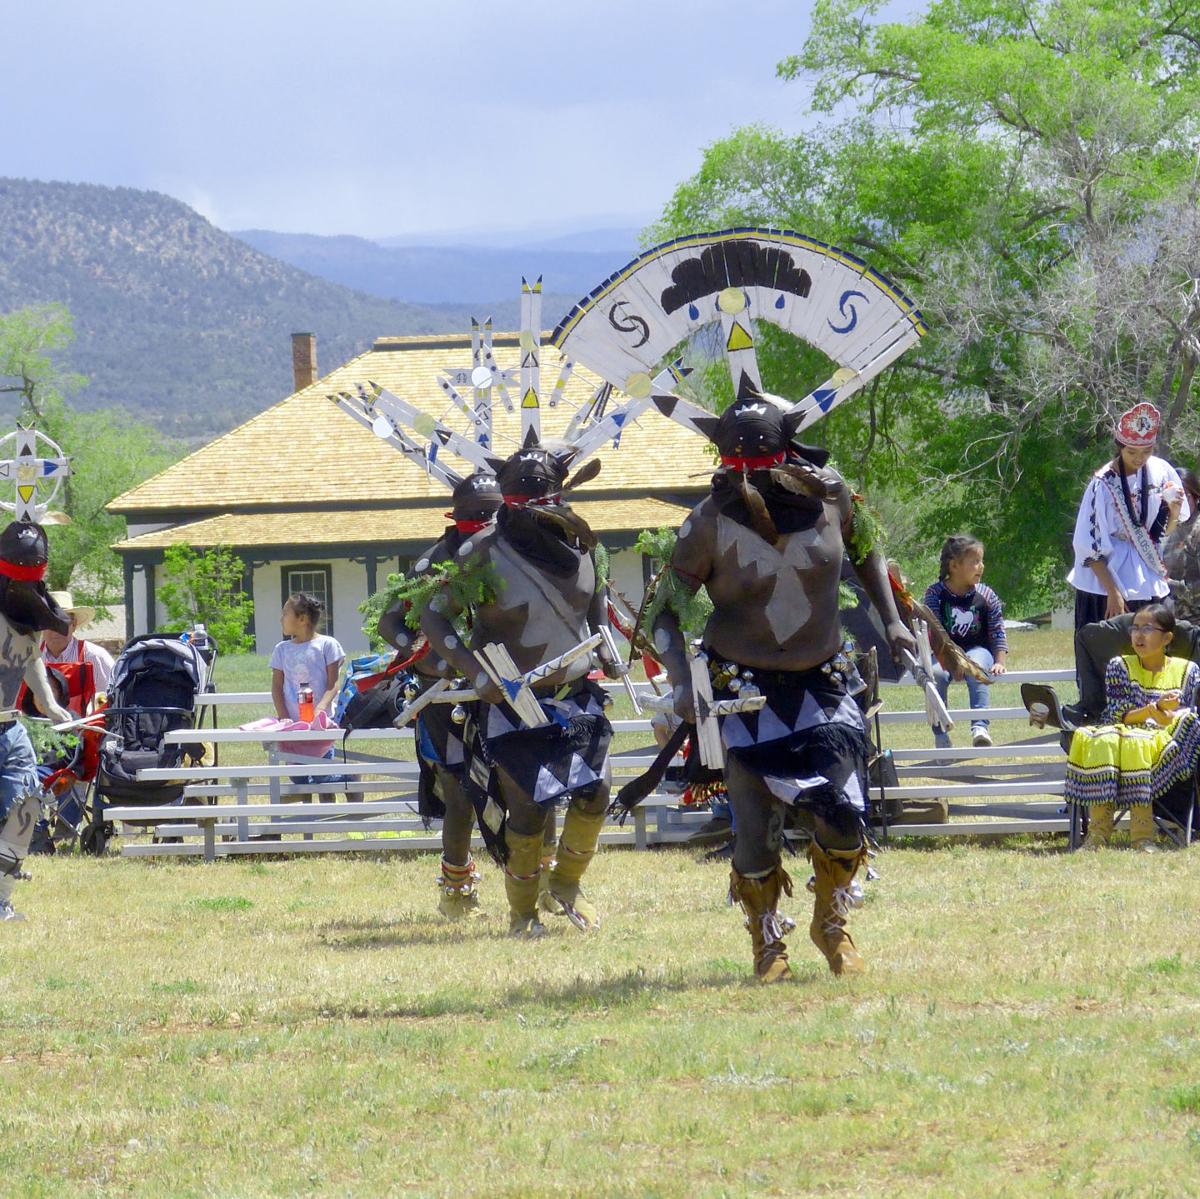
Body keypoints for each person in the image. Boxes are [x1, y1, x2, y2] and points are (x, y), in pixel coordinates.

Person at [646, 398, 915, 982]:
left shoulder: (833, 497)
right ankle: (768, 943)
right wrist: (678, 677)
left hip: (824, 681)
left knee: (844, 816)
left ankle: (831, 923)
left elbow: (868, 551)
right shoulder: (708, 523)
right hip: (741, 691)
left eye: (767, 465)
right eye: (744, 470)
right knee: (757, 835)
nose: (757, 480)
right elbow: (662, 613)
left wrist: (891, 617)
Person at [420, 435, 619, 938]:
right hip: (512, 701)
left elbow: (595, 606)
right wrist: (474, 671)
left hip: (574, 696)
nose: (536, 508)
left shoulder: (583, 545)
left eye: (544, 497)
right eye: (525, 499)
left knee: (596, 792)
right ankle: (523, 913)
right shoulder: (479, 554)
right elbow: (434, 617)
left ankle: (568, 883)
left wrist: (606, 644)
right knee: (528, 811)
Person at [378, 471, 503, 919]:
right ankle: (456, 890)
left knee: (522, 783)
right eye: (478, 518)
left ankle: (536, 878)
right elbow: (390, 621)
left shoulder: (511, 556)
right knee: (459, 792)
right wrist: (413, 646)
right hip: (444, 693)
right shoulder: (432, 562)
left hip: (505, 688)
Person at [1064, 602, 1200, 850]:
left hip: (1164, 744)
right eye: (1135, 628)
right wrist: (1151, 710)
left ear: (1167, 637)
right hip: (1122, 738)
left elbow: (1185, 714)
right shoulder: (1120, 666)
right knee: (1101, 738)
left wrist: (1163, 713)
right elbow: (1115, 713)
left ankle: (1142, 837)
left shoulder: (1187, 671)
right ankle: (1097, 835)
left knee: (1136, 743)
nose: (1138, 635)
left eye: (1147, 629)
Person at [0, 520, 74, 921]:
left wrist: (47, 701)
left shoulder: (31, 615)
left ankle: (2, 898)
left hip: (11, 728)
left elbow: (31, 657)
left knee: (25, 806)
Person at [1068, 402, 1189, 629]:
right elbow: (1088, 547)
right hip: (1105, 581)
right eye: (1131, 452)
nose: (1139, 458)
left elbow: (1162, 533)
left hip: (1147, 575)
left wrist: (1173, 513)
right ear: (1120, 447)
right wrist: (1112, 592)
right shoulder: (1102, 484)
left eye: (1146, 451)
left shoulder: (1160, 471)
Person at [923, 535, 1008, 749]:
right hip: (943, 651)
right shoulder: (935, 594)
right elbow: (935, 631)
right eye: (975, 562)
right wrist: (952, 660)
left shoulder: (986, 594)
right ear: (954, 565)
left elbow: (997, 630)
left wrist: (999, 661)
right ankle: (940, 733)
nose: (981, 566)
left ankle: (980, 727)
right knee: (937, 675)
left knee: (975, 666)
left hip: (978, 650)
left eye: (982, 561)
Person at [269, 594, 345, 784]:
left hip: (320, 724)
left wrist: (320, 709)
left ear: (302, 618)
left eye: (285, 614)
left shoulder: (328, 645)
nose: (281, 619)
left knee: (322, 776)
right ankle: (307, 812)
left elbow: (333, 684)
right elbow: (277, 688)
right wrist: (283, 715)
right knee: (298, 778)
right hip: (293, 726)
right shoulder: (281, 649)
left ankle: (348, 777)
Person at [41, 590, 115, 700]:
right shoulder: (29, 658)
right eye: (49, 622)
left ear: (74, 624)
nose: (56, 629)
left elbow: (110, 699)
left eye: (62, 622)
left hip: (86, 718)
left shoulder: (95, 656)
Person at [1164, 468, 1200, 622]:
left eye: (1184, 496)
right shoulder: (1162, 528)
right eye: (1172, 496)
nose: (1179, 503)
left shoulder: (1197, 531)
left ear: (1196, 497)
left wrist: (1170, 586)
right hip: (1166, 622)